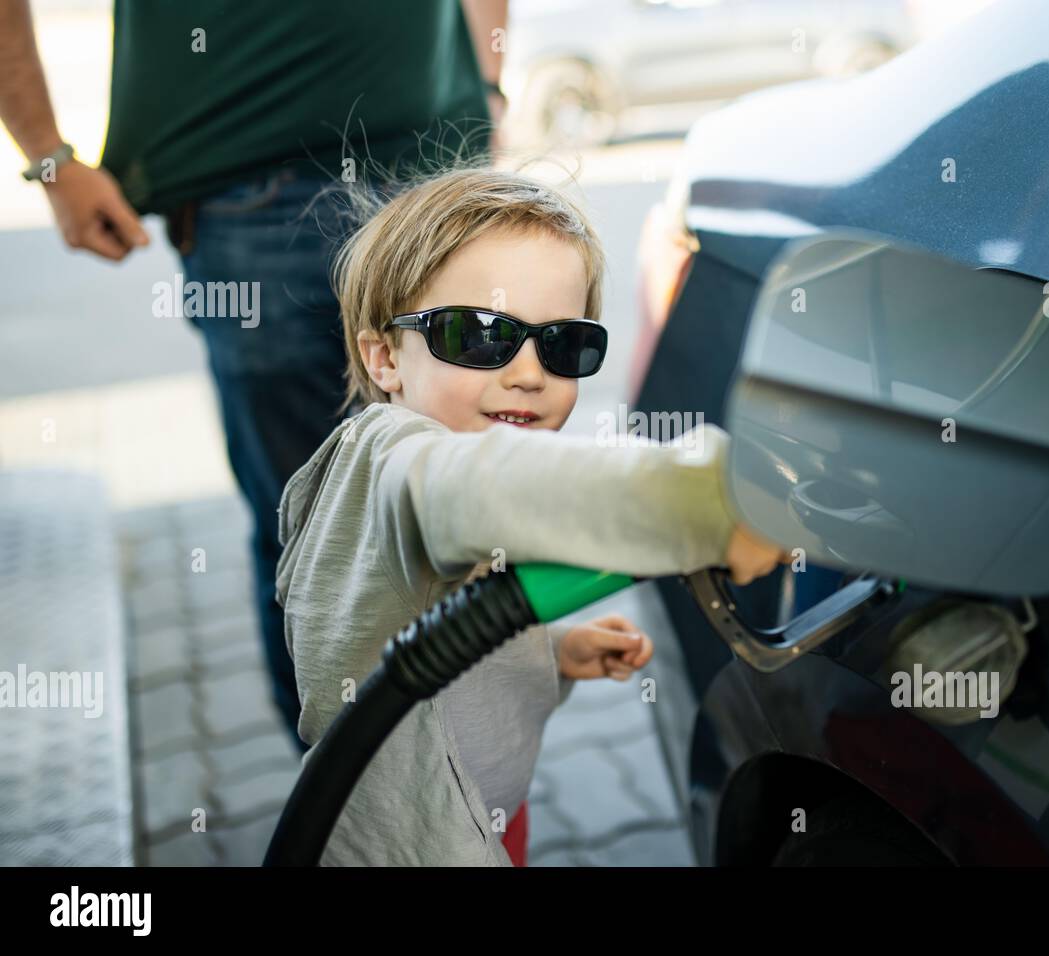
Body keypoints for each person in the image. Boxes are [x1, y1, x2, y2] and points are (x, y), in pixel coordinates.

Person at [0, 0, 509, 751]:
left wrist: (490, 86)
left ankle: (463, 769)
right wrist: (46, 158)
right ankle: (340, 800)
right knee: (311, 528)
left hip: (432, 167)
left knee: (458, 505)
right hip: (251, 196)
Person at [275, 164, 788, 865]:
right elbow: (490, 486)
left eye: (560, 344)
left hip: (478, 816)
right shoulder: (399, 460)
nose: (526, 372)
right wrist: (709, 501)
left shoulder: (447, 451)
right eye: (482, 335)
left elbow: (437, 628)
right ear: (384, 357)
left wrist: (549, 654)